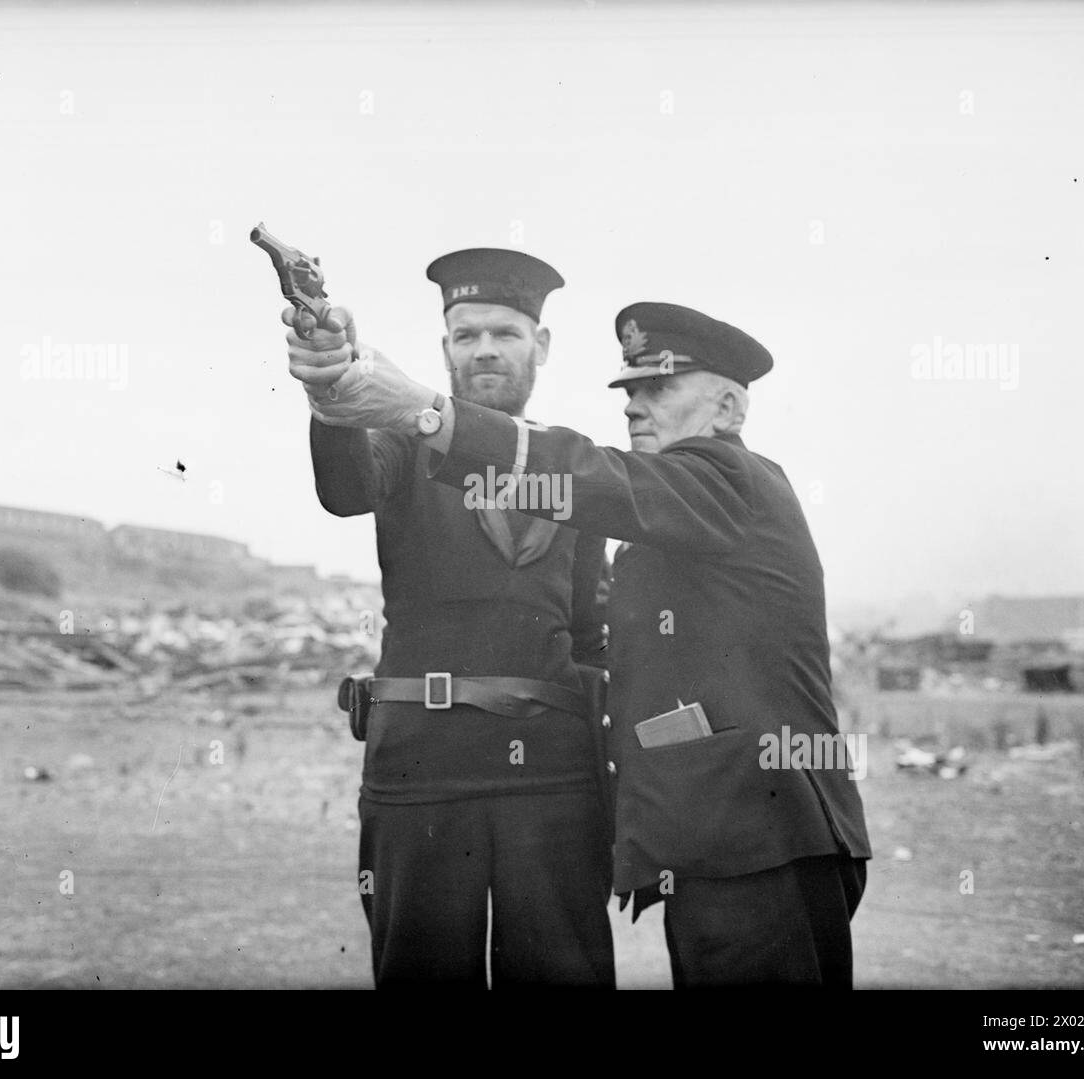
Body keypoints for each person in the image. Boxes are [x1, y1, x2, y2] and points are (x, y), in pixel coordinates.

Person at [293, 300, 873, 988]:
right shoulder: (686, 506)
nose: (633, 406)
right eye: (629, 390)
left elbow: (594, 483)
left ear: (728, 408)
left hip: (760, 841)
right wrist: (334, 392)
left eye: (658, 389)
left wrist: (427, 410)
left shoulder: (730, 481)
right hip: (725, 840)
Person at [286, 249, 615, 987]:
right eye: (466, 336)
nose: (486, 349)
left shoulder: (573, 468)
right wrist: (330, 386)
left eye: (505, 332)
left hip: (553, 781)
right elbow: (344, 486)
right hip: (420, 771)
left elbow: (592, 637)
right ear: (444, 350)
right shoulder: (403, 443)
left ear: (542, 346)